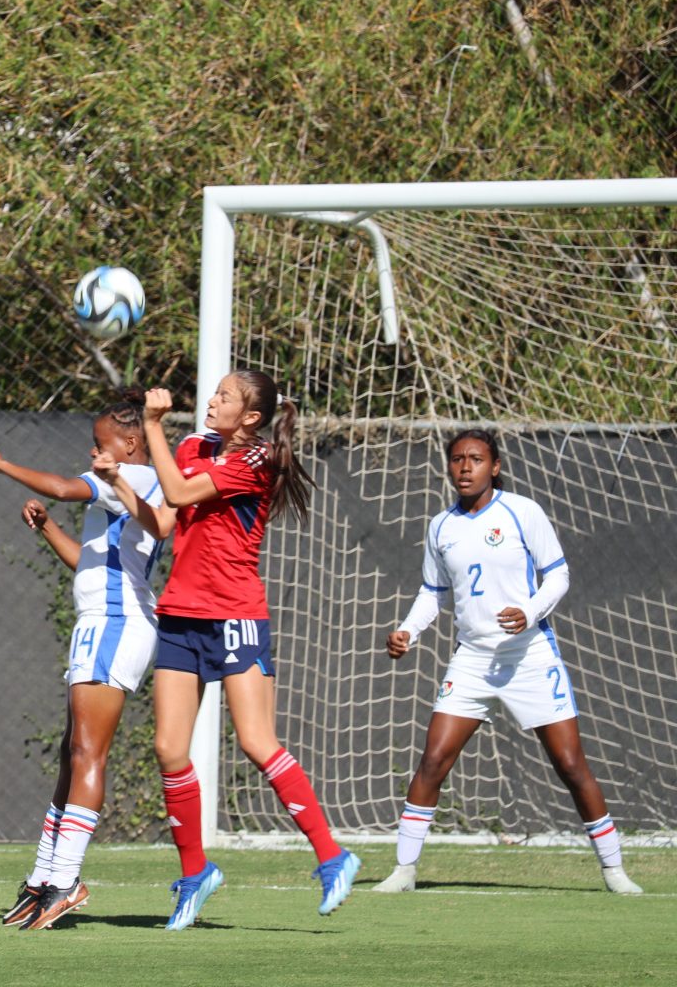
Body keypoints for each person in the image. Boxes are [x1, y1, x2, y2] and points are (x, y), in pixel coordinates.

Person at [96, 372, 359, 929]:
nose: (211, 402)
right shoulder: (192, 447)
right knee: (169, 749)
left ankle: (333, 856)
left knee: (257, 741)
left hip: (235, 614)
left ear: (250, 418)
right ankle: (196, 874)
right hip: (181, 615)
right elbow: (165, 520)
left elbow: (181, 491)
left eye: (224, 397)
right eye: (213, 393)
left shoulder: (256, 460)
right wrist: (121, 483)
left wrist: (150, 425)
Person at [374, 429, 641, 895]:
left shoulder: (523, 512)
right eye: (457, 459)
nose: (464, 467)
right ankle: (403, 871)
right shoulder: (441, 526)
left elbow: (558, 575)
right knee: (434, 759)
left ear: (494, 466)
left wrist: (530, 612)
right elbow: (433, 593)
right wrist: (408, 631)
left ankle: (614, 870)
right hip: (473, 660)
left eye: (475, 458)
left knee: (571, 764)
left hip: (529, 656)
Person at [0, 392, 173, 930]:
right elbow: (92, 561)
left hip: (117, 624)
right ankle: (44, 877)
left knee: (88, 752)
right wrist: (49, 529)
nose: (92, 451)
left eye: (101, 443)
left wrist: (1, 462)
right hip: (98, 622)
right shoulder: (119, 490)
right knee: (72, 751)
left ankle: (66, 879)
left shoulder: (139, 479)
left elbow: (61, 486)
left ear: (131, 444)